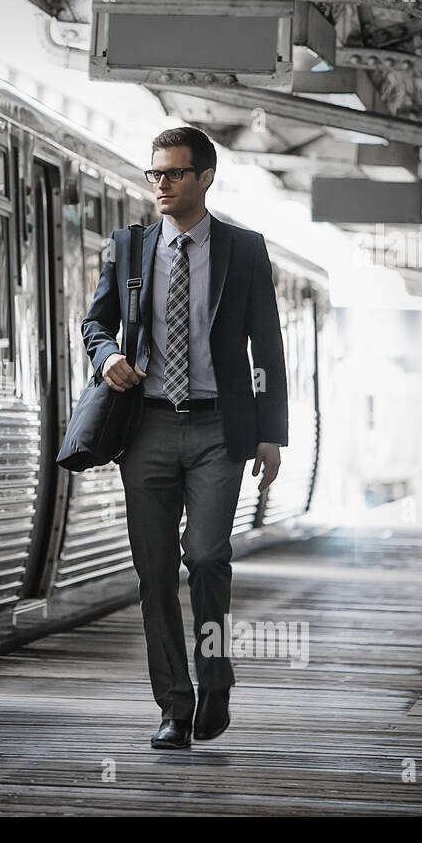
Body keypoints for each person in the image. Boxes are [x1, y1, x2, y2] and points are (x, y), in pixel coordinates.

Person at [81, 126, 288, 749]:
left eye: (173, 174)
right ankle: (174, 705)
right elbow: (96, 321)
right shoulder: (128, 247)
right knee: (153, 572)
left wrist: (271, 433)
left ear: (205, 178)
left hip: (217, 427)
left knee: (204, 556)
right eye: (155, 175)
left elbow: (267, 347)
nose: (161, 186)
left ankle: (214, 677)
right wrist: (106, 354)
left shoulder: (244, 250)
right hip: (145, 427)